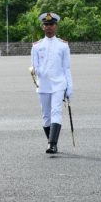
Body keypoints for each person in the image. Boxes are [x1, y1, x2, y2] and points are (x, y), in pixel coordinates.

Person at [31, 12, 73, 155]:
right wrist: (35, 71)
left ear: (56, 26)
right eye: (46, 25)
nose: (49, 27)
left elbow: (67, 68)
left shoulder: (63, 45)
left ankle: (52, 144)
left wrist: (69, 87)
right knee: (46, 116)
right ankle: (51, 141)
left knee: (56, 111)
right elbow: (34, 66)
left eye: (51, 25)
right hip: (43, 84)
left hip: (59, 84)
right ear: (43, 27)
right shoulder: (37, 46)